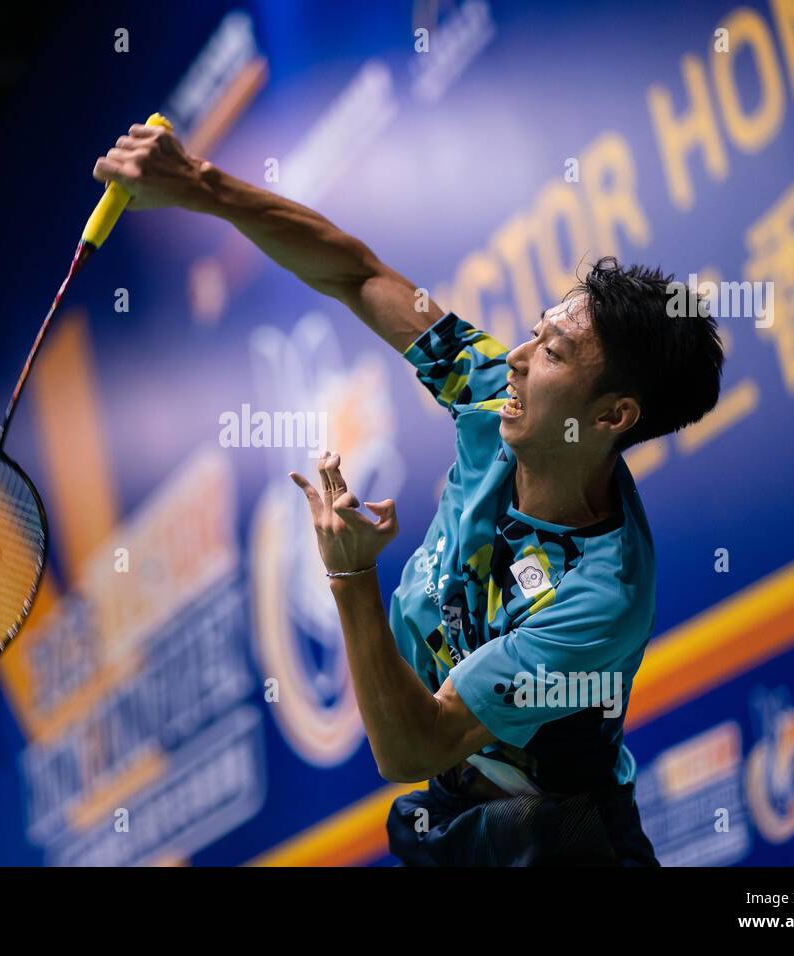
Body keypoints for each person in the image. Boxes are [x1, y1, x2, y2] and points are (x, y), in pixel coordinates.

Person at [94, 122, 724, 865]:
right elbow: (357, 275)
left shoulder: (598, 596)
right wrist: (202, 185)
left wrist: (351, 575)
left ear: (613, 416)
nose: (516, 358)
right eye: (533, 334)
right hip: (460, 818)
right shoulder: (494, 400)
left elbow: (411, 743)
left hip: (559, 844)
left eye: (551, 353)